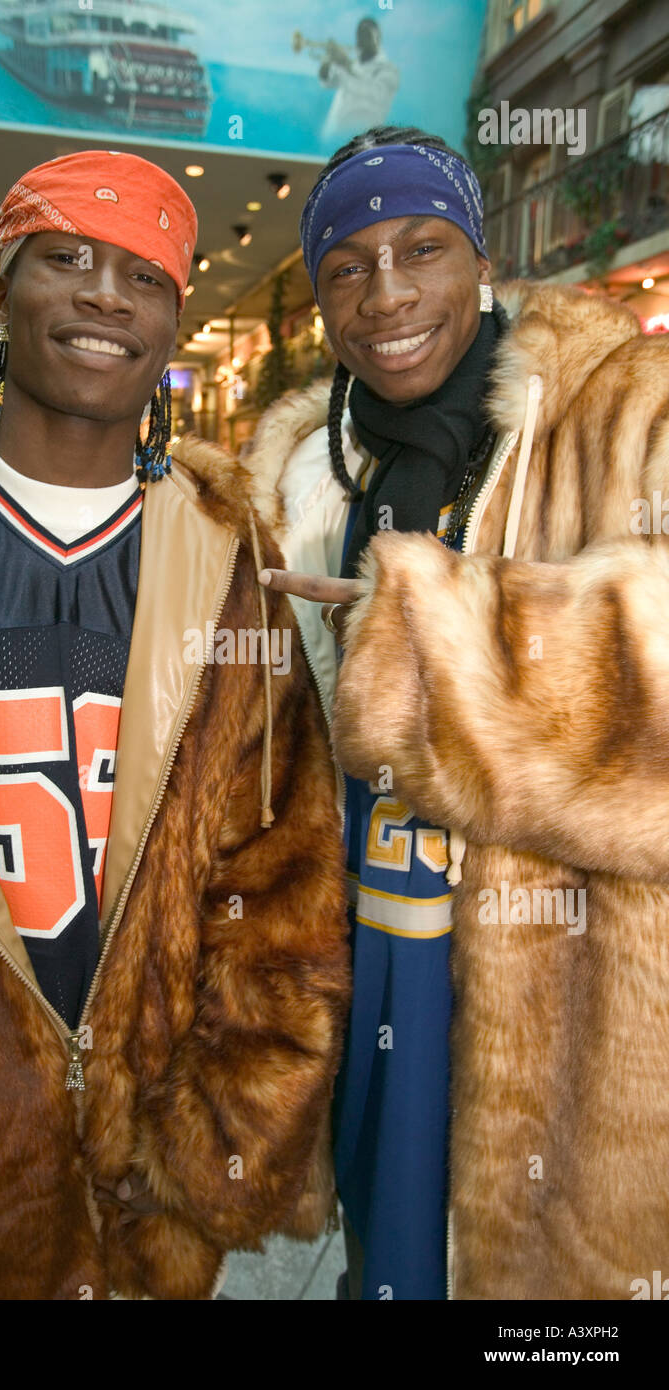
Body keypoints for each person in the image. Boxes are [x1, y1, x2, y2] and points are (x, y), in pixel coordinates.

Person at [0, 149, 350, 1301]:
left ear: (174, 320)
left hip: (140, 1219)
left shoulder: (226, 568)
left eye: (144, 275)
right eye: (68, 259)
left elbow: (284, 899)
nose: (108, 294)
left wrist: (209, 1161)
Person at [250, 125, 669, 1300]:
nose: (387, 294)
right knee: (390, 1239)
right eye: (348, 265)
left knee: (529, 1271)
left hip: (557, 968)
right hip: (365, 939)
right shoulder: (299, 465)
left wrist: (440, 625)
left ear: (480, 262)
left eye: (421, 250)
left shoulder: (622, 405)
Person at [317, 18, 399, 145]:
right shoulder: (354, 64)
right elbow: (328, 82)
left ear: (377, 39)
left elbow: (374, 93)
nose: (361, 42)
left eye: (366, 36)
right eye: (359, 37)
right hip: (334, 135)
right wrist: (327, 62)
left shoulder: (389, 71)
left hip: (363, 143)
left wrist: (346, 64)